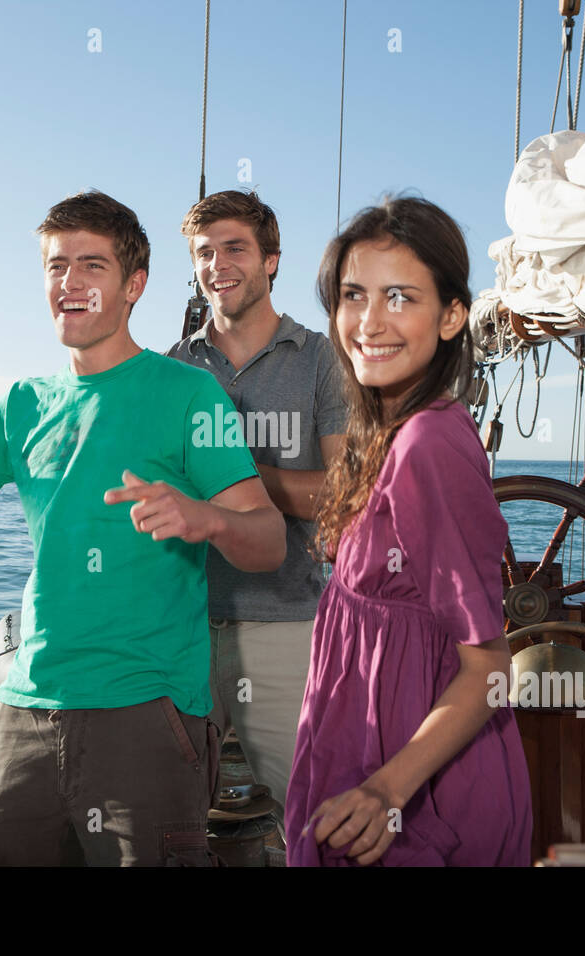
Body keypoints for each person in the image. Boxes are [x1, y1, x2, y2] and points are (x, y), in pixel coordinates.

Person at [0, 190, 286, 866]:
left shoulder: (189, 394)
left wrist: (206, 517)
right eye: (56, 265)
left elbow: (269, 540)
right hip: (25, 705)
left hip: (147, 710)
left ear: (134, 285)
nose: (69, 282)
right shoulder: (23, 404)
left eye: (91, 265)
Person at [285, 196, 533, 866]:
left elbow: (489, 670)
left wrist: (385, 792)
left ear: (451, 316)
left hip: (414, 790)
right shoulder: (385, 432)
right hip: (365, 754)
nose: (369, 321)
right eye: (353, 295)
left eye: (400, 297)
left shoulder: (428, 443)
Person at [166, 189, 345, 819]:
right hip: (183, 626)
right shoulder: (173, 367)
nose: (217, 265)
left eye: (235, 248)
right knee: (169, 817)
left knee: (314, 816)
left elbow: (342, 496)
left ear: (271, 260)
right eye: (204, 252)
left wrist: (230, 475)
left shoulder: (322, 358)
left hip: (288, 622)